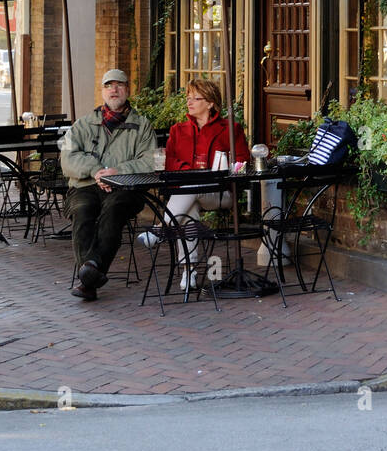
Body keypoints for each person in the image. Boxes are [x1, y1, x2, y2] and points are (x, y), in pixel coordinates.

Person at [138, 77, 249, 290]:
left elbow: (243, 162)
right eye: (188, 98)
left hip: (220, 193)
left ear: (210, 103)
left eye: (195, 98)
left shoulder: (230, 129)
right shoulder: (178, 130)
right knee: (188, 214)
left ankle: (160, 229)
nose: (189, 102)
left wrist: (226, 166)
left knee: (191, 190)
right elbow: (169, 160)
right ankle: (188, 272)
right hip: (189, 193)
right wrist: (189, 172)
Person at [61, 69, 157, 302]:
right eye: (108, 85)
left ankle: (89, 275)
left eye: (119, 85)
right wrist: (96, 171)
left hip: (126, 188)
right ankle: (92, 273)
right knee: (83, 211)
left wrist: (117, 172)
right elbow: (67, 159)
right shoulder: (83, 124)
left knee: (113, 210)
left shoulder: (142, 125)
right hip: (86, 186)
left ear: (128, 89)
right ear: (102, 91)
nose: (114, 90)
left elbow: (150, 160)